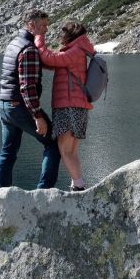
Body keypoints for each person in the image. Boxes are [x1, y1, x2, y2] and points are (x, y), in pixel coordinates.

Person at [0, 9, 60, 189]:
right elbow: (27, 87)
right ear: (31, 25)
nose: (46, 29)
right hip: (20, 107)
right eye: (43, 26)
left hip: (4, 105)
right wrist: (37, 116)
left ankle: (0, 194)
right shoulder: (29, 49)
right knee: (54, 143)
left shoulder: (14, 43)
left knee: (7, 153)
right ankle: (44, 192)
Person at [35, 21, 96, 191]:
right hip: (77, 105)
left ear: (70, 35)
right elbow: (55, 63)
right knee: (71, 150)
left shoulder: (76, 50)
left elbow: (50, 58)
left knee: (65, 149)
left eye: (63, 33)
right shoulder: (79, 49)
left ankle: (79, 186)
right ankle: (76, 184)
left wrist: (38, 37)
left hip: (69, 106)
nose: (61, 37)